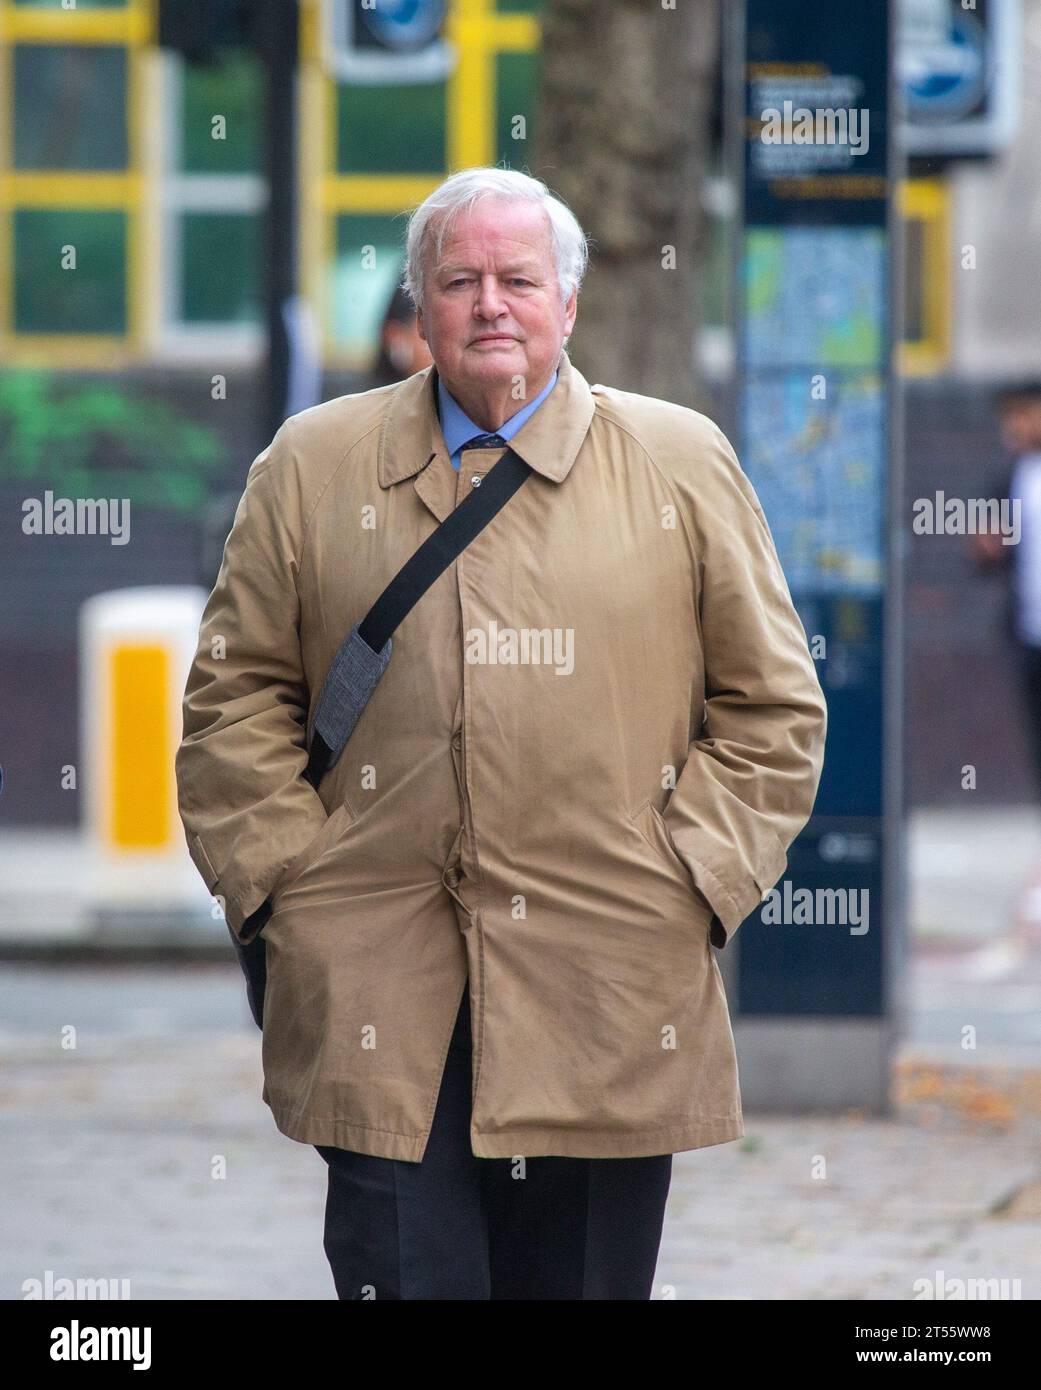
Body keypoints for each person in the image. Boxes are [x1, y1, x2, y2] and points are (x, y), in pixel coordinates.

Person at [175, 166, 827, 1300]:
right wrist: (291, 890)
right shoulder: (310, 465)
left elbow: (773, 710)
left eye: (518, 280)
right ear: (419, 309)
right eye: (460, 279)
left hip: (607, 985)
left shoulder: (679, 461)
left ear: (568, 306)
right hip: (383, 979)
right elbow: (234, 700)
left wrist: (686, 877)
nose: (490, 305)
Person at [970, 381, 1041, 794]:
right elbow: (988, 554)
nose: (1013, 427)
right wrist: (985, 549)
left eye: (1022, 414)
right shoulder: (1010, 477)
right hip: (1029, 636)